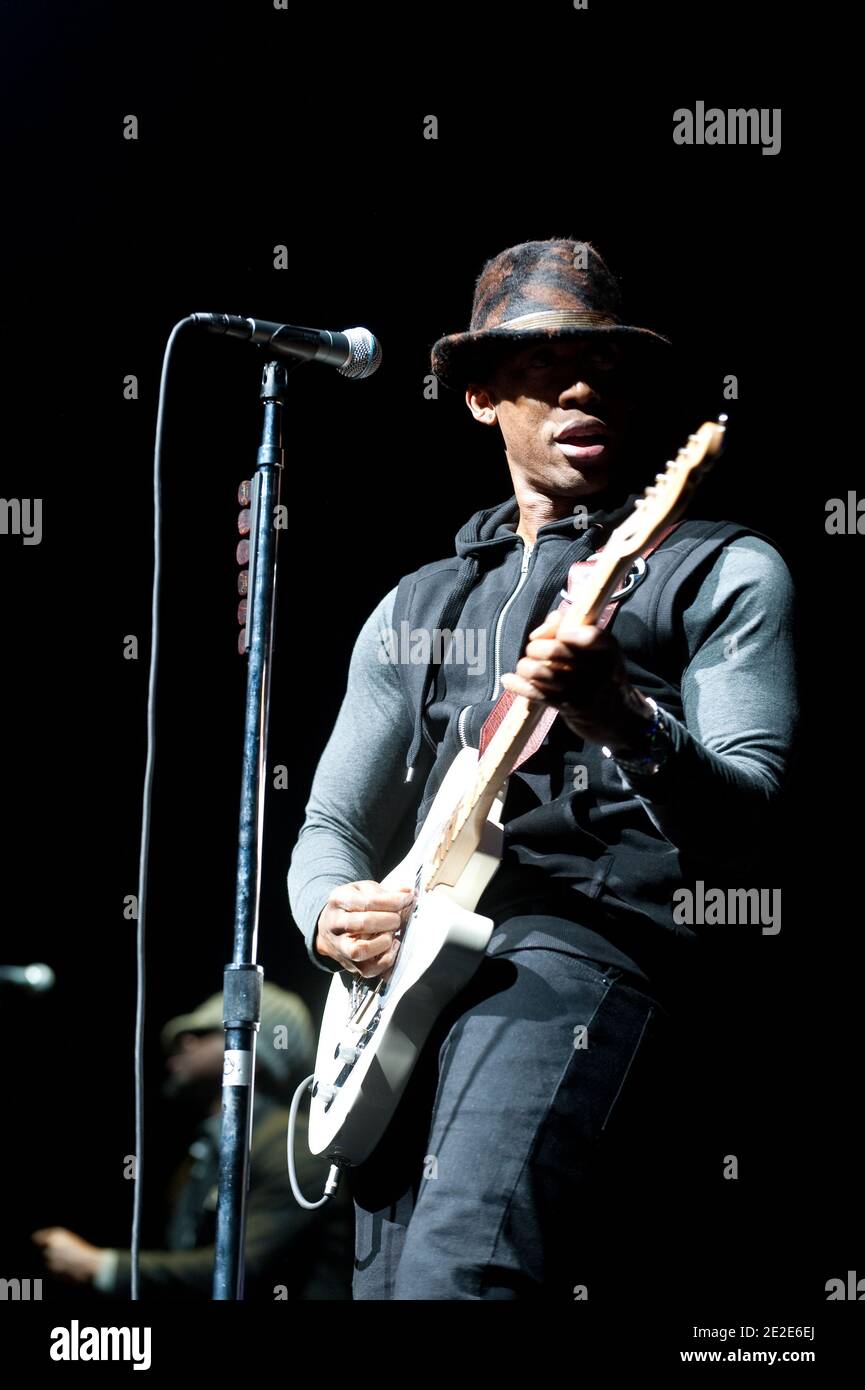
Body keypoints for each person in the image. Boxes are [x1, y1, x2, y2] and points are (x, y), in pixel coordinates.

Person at [287, 238, 799, 1300]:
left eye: (604, 365)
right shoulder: (419, 603)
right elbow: (331, 823)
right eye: (542, 363)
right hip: (406, 986)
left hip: (581, 952)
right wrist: (326, 911)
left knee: (455, 1280)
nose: (580, 387)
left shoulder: (716, 566)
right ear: (479, 396)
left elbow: (749, 820)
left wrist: (622, 716)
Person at [32, 982, 353, 1299]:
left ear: (252, 1049)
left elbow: (243, 1268)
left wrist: (102, 1267)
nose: (183, 1040)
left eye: (205, 1031)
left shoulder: (292, 1147)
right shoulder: (207, 1150)